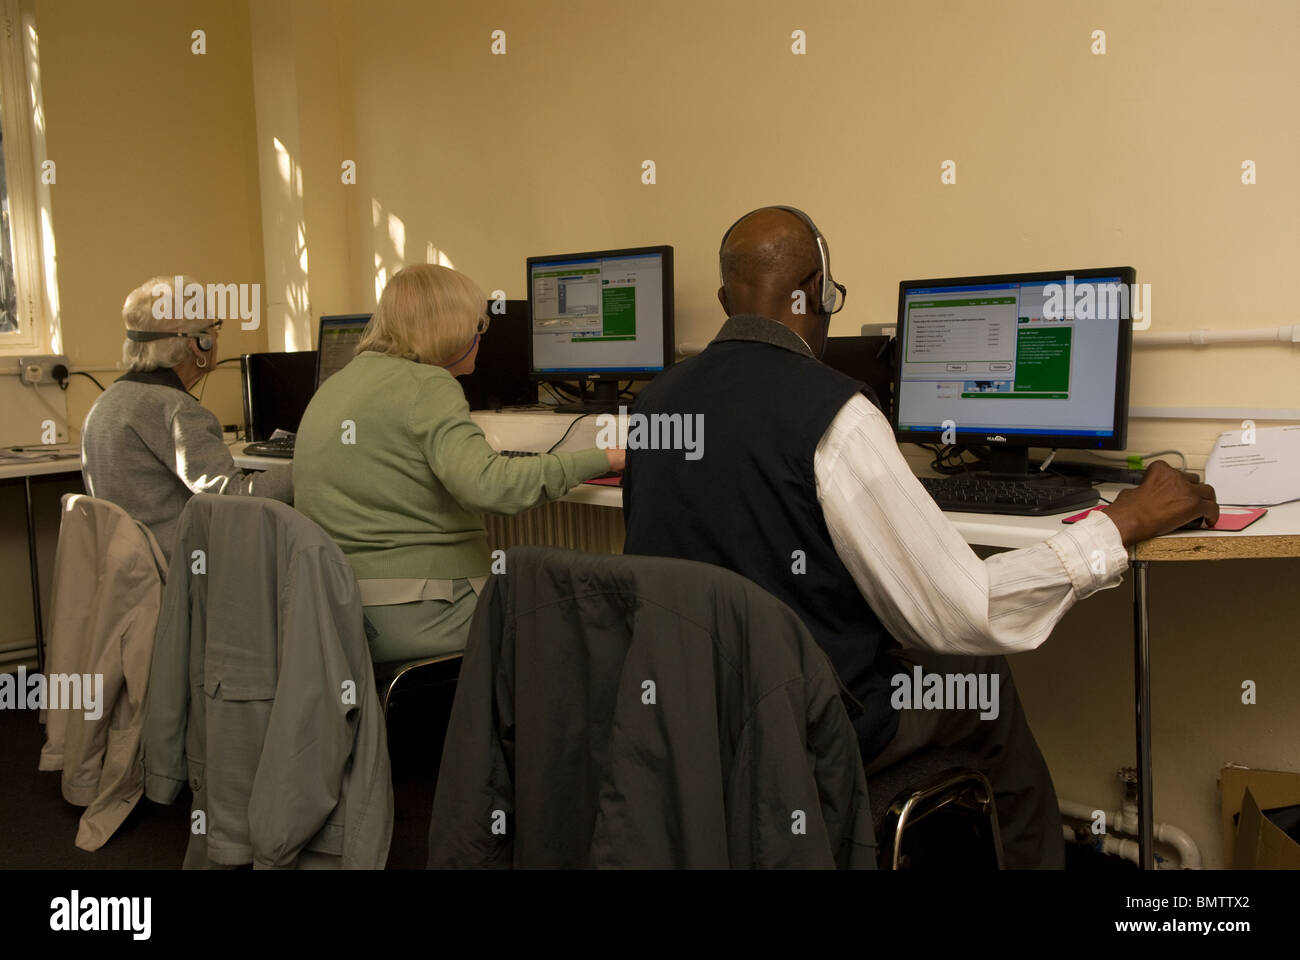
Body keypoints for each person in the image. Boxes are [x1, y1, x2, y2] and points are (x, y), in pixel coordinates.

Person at [621, 206, 1219, 868]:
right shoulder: (835, 414)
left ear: (724, 299)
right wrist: (1120, 524)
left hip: (694, 721)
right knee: (981, 677)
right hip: (814, 728)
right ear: (816, 291)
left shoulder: (654, 404)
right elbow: (969, 609)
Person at [293, 264, 623, 663]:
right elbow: (489, 486)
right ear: (454, 329)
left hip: (343, 611)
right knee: (588, 614)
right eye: (477, 324)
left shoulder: (338, 384)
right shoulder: (427, 385)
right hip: (424, 612)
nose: (480, 336)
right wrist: (605, 457)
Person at [81, 275, 293, 563]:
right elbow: (236, 496)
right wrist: (308, 466)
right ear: (199, 344)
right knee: (298, 552)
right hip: (182, 575)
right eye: (213, 328)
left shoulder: (106, 402)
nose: (217, 336)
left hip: (130, 575)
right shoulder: (175, 409)